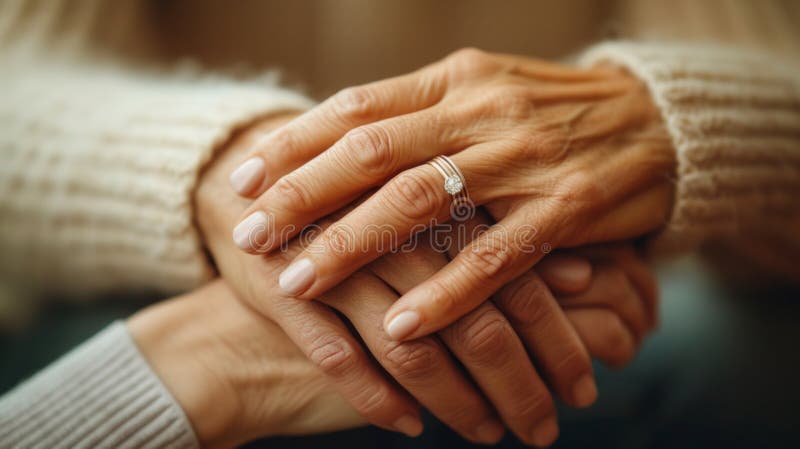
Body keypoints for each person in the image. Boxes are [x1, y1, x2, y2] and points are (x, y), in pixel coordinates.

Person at [0, 0, 797, 447]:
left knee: (720, 344)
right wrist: (230, 166)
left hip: (564, 265)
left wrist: (676, 123)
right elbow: (17, 91)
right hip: (168, 276)